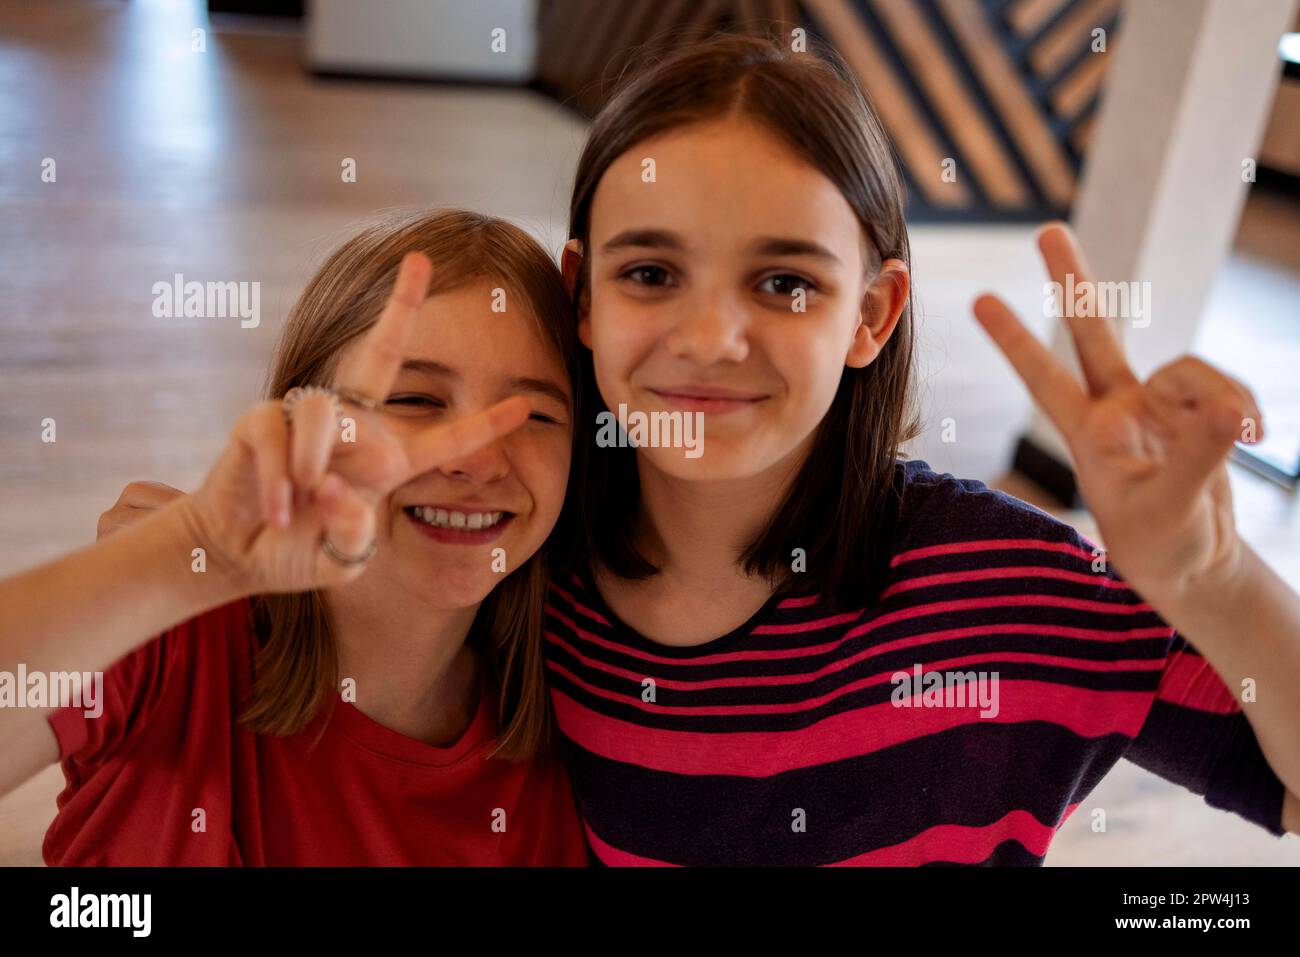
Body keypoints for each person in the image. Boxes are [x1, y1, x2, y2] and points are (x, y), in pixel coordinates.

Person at [542, 33, 1300, 864]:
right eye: (650, 273)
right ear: (583, 297)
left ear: (871, 314)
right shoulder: (529, 576)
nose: (711, 340)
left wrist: (1216, 583)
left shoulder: (1006, 590)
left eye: (785, 284)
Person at [0, 209, 589, 865]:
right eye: (416, 400)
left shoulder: (564, 744)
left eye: (533, 413)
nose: (479, 459)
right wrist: (181, 557)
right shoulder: (178, 638)